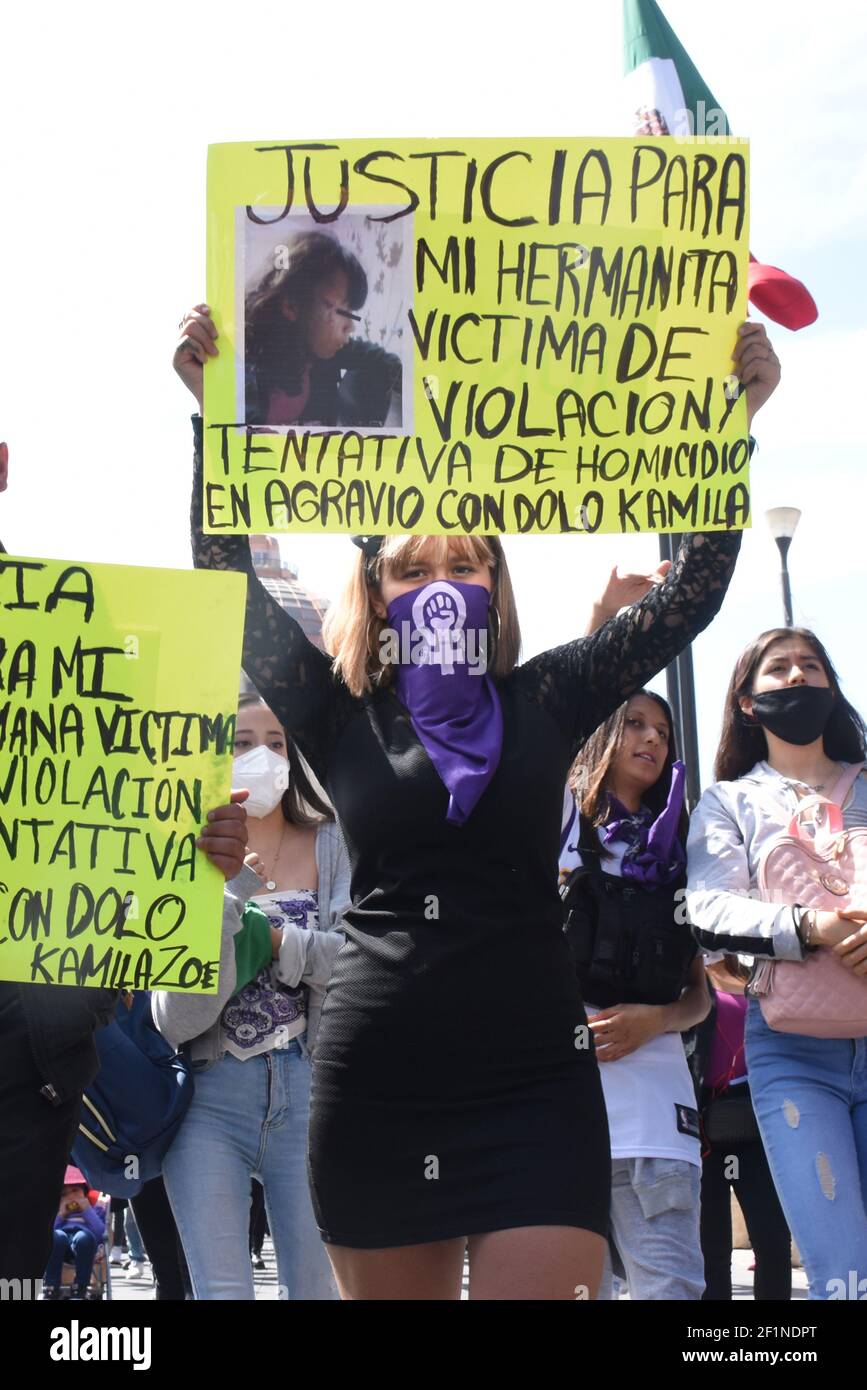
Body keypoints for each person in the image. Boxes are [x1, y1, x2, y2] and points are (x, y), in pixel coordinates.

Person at [175, 307, 779, 1299]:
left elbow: (692, 598)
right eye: (413, 568)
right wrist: (210, 418)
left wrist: (734, 419)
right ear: (376, 592)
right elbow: (226, 580)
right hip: (377, 1091)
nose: (441, 583)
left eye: (464, 563)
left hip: (535, 1091)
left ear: (496, 584)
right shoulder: (337, 717)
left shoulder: (547, 695)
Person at [0, 441, 248, 1288]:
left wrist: (200, 850)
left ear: (1, 464)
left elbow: (141, 814)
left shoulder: (81, 632)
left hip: (26, 1052)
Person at [687, 627, 867, 1298]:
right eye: (777, 667)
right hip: (792, 1058)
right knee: (842, 1275)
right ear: (745, 701)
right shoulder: (727, 803)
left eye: (810, 665)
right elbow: (707, 913)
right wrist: (810, 927)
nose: (796, 676)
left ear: (830, 685)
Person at [152, 694, 349, 1301]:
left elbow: (359, 962)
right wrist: (225, 900)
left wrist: (279, 940)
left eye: (276, 743)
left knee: (317, 1291)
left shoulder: (333, 843)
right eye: (242, 741)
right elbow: (173, 1017)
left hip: (315, 1098)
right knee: (221, 1293)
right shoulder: (184, 853)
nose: (260, 755)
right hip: (210, 1101)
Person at [561, 689, 710, 1299]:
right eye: (635, 724)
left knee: (671, 1290)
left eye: (664, 732)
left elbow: (703, 994)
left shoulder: (686, 848)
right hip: (561, 1119)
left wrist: (656, 1020)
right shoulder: (561, 825)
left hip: (656, 1121)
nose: (652, 739)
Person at [690, 955, 792, 1301]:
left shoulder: (755, 978)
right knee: (711, 1244)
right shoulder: (689, 985)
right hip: (705, 1118)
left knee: (773, 1236)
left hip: (757, 1117)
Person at [237, 230, 401, 427]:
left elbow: (381, 359)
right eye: (340, 310)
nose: (350, 326)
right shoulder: (243, 368)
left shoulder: (321, 350)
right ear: (292, 305)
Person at [41, 1167, 107, 1300]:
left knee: (83, 1237)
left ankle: (80, 1287)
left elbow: (100, 1233)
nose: (70, 1196)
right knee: (56, 1236)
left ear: (85, 1192)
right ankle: (51, 1286)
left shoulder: (95, 1209)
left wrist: (87, 1210)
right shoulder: (57, 1211)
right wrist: (60, 1214)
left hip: (86, 1246)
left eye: (75, 1191)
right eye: (64, 1194)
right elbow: (47, 1231)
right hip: (60, 1247)